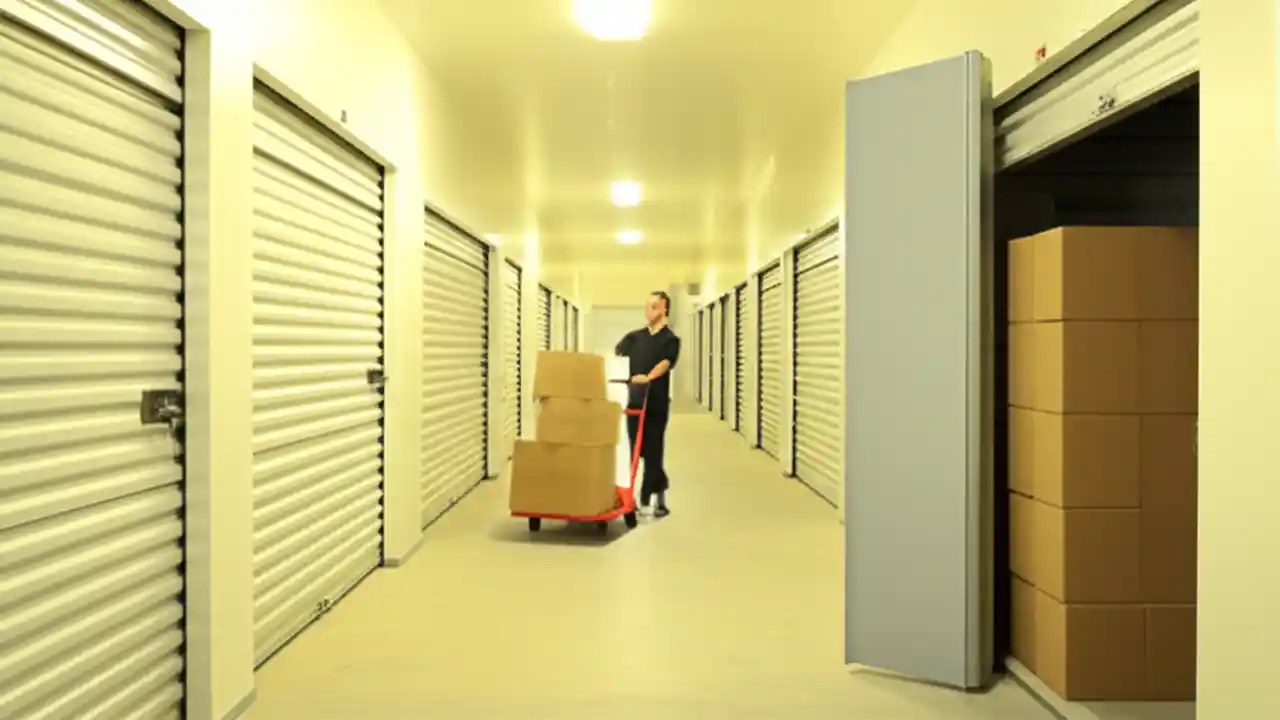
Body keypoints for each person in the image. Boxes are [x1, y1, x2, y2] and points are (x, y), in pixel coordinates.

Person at [614, 291, 681, 517]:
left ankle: (649, 498)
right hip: (634, 401)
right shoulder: (634, 337)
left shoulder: (670, 340)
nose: (648, 310)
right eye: (647, 306)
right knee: (634, 448)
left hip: (656, 403)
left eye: (653, 306)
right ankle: (638, 493)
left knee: (653, 450)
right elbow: (619, 354)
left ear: (664, 310)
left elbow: (666, 362)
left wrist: (648, 377)